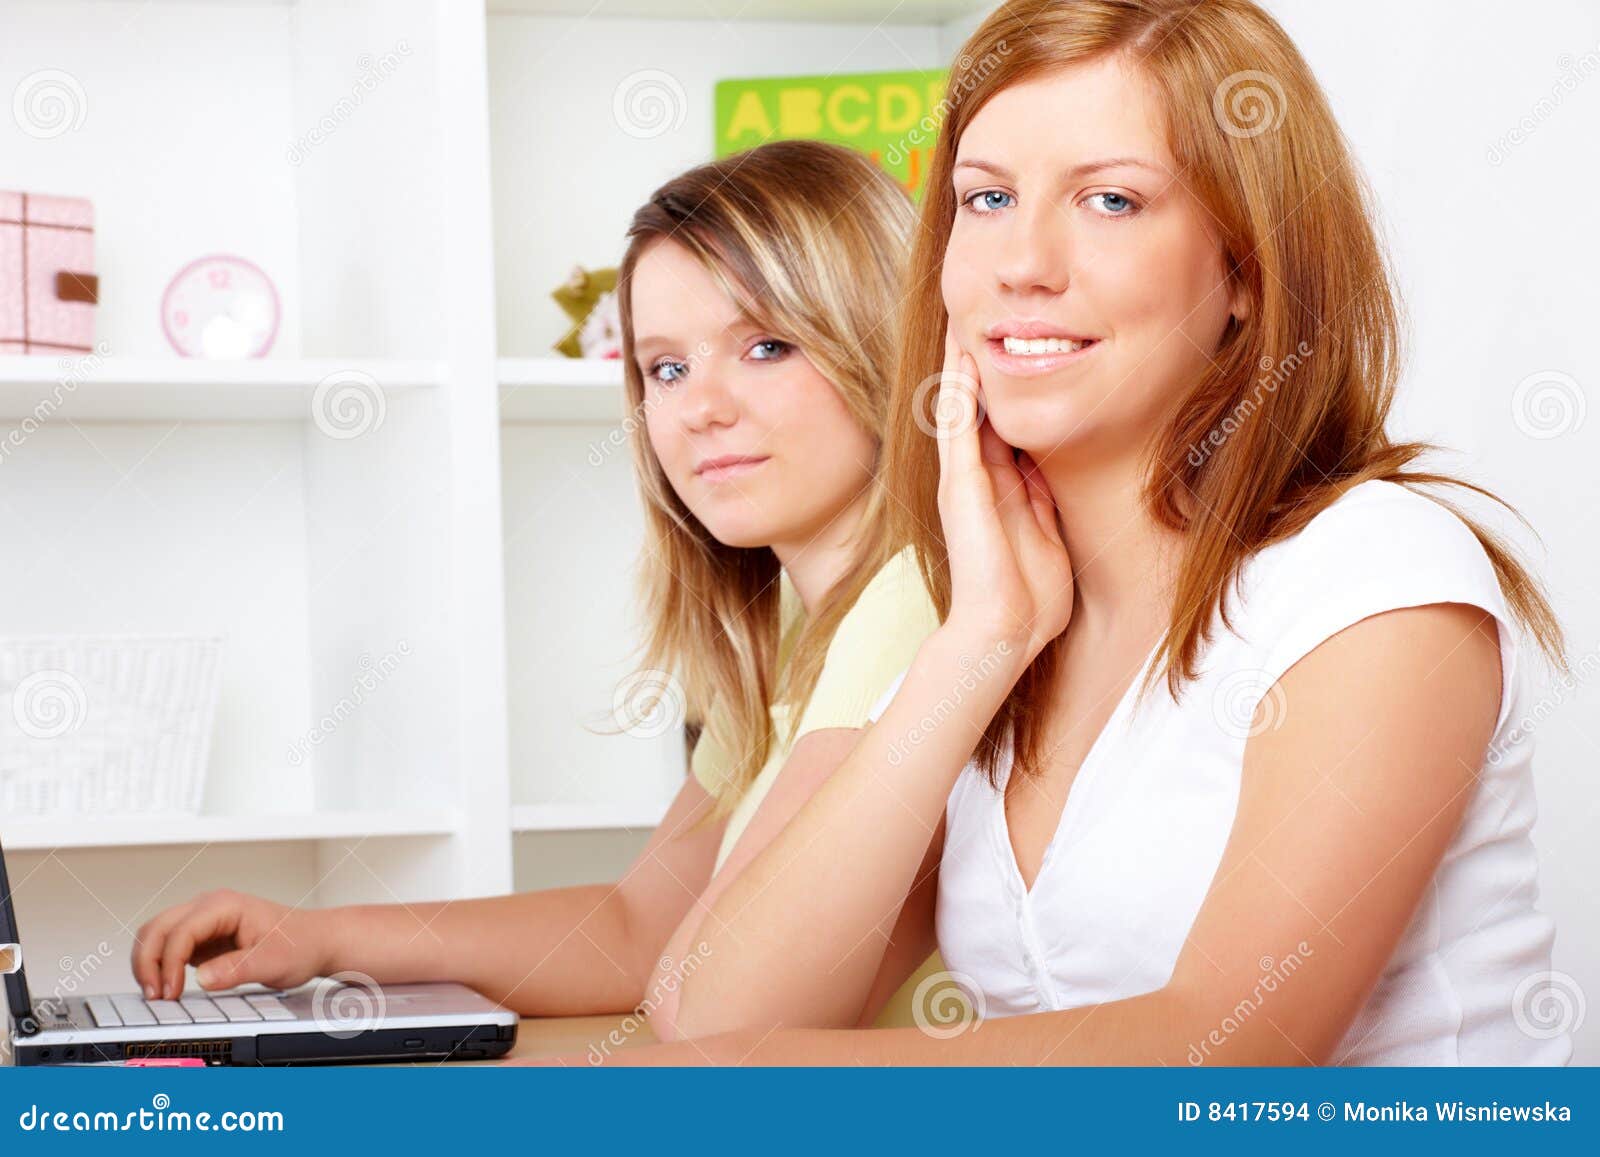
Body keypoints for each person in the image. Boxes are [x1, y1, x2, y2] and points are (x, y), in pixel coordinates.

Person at [591, 0, 1573, 1065]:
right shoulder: (987, 613)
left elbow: (1225, 1048)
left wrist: (762, 1067)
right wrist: (977, 649)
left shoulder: (1370, 574)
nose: (1023, 262)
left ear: (1245, 270)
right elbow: (715, 1005)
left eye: (1109, 200)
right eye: (987, 198)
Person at [130, 140, 942, 1031]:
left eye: (766, 345)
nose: (699, 407)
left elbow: (703, 1010)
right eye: (666, 367)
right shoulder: (789, 622)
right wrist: (320, 936)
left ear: (882, 342)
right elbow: (639, 930)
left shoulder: (912, 606)